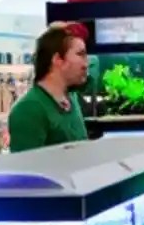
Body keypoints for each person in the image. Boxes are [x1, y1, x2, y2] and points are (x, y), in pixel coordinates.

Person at [7, 21, 90, 153]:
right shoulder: (29, 109)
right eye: (80, 54)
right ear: (58, 59)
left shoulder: (72, 99)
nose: (86, 63)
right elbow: (26, 169)